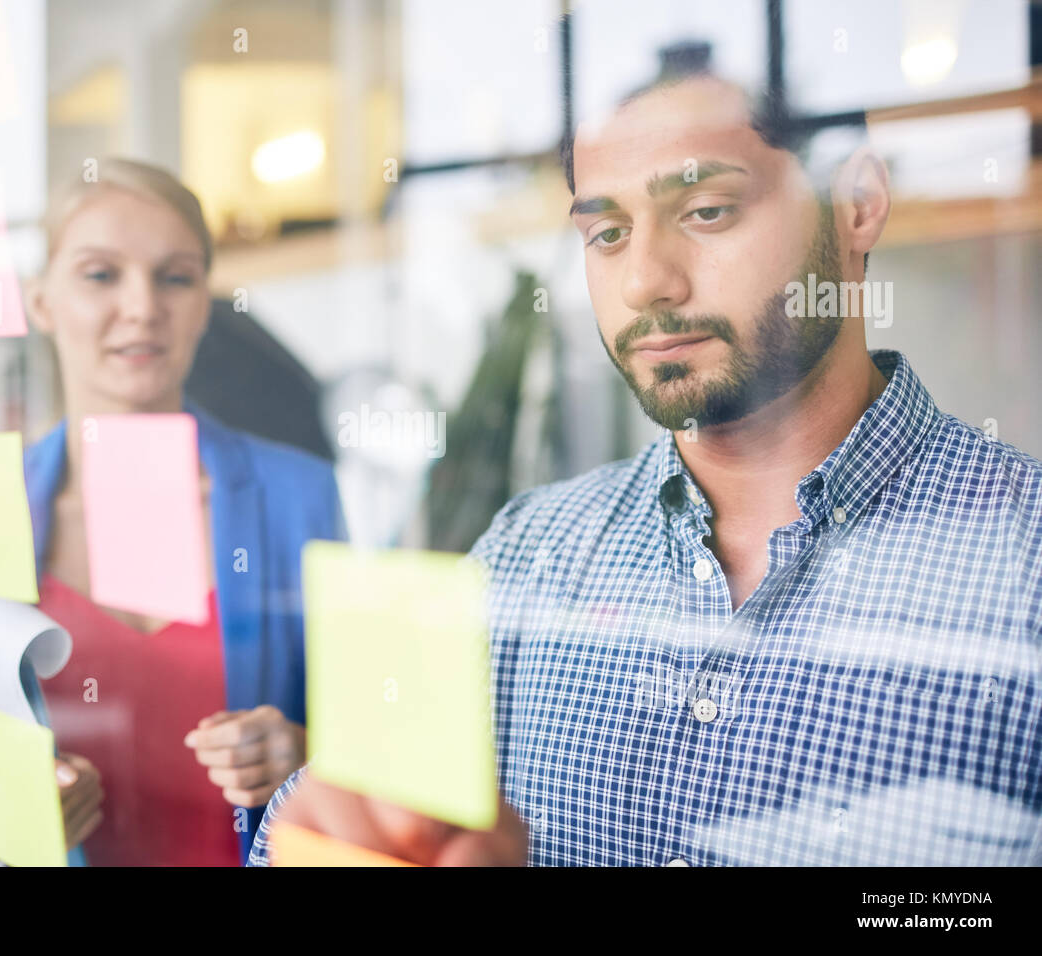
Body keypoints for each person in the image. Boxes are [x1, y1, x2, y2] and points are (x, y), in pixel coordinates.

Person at [248, 65, 1042, 866]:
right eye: (607, 233)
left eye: (706, 211)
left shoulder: (1027, 556)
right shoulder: (530, 553)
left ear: (857, 204)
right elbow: (323, 824)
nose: (643, 282)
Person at [0, 158, 345, 866]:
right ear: (42, 303)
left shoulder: (300, 496)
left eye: (175, 276)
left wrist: (310, 753)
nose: (142, 307)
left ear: (204, 301)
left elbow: (378, 752)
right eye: (101, 275)